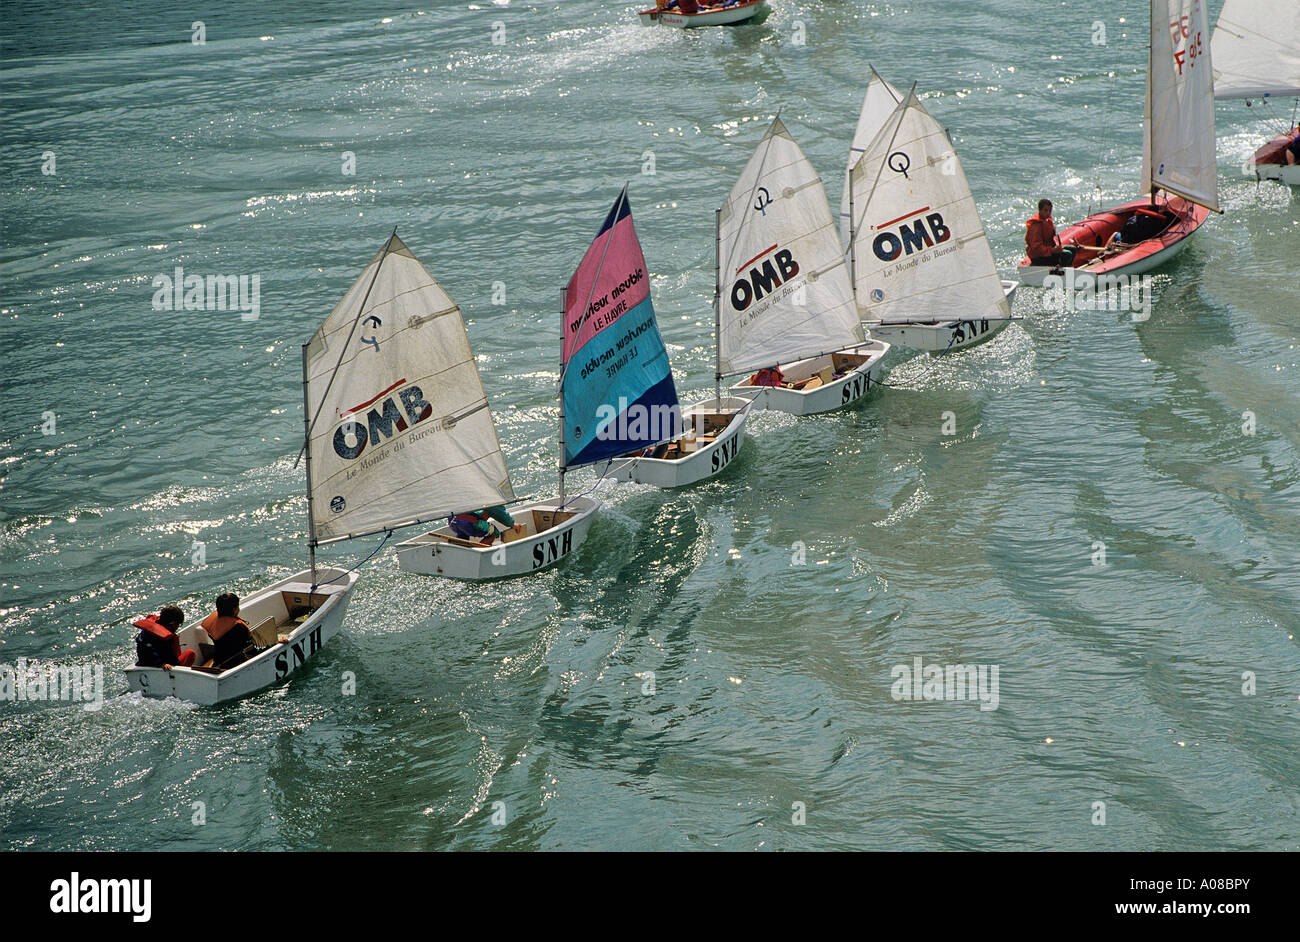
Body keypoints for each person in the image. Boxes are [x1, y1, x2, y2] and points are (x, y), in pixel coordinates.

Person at [201, 592, 254, 669]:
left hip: (219, 660)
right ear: (235, 609)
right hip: (236, 661)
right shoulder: (240, 627)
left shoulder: (214, 623)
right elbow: (249, 646)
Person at [1025, 199, 1076, 268]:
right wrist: (1052, 250)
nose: (1048, 213)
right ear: (1040, 210)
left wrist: (1056, 248)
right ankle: (1062, 272)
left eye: (1050, 211)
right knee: (1067, 254)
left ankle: (1067, 268)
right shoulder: (1036, 226)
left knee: (1072, 248)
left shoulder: (1047, 221)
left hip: (1047, 251)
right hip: (1038, 257)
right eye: (1045, 210)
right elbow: (1036, 248)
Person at [448, 505, 522, 546]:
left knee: (463, 534)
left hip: (452, 521)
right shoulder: (491, 501)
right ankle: (477, 554)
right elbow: (502, 516)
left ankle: (461, 551)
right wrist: (513, 524)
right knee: (494, 532)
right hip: (469, 523)